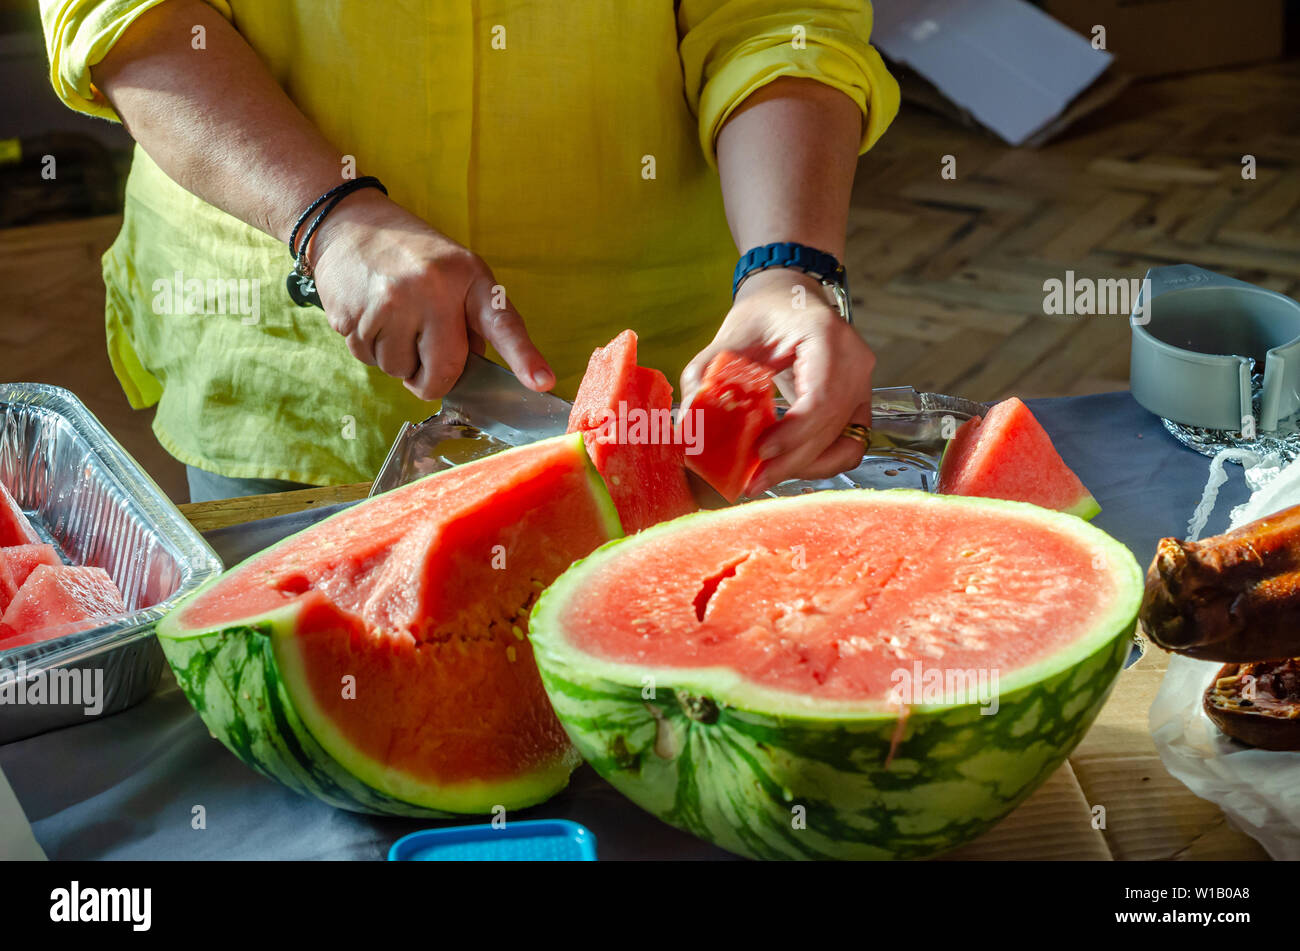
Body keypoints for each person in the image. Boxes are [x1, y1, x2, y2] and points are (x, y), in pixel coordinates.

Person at [40, 0, 899, 502]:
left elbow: (777, 19)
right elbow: (133, 14)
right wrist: (330, 219)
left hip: (667, 381)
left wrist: (788, 265)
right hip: (291, 362)